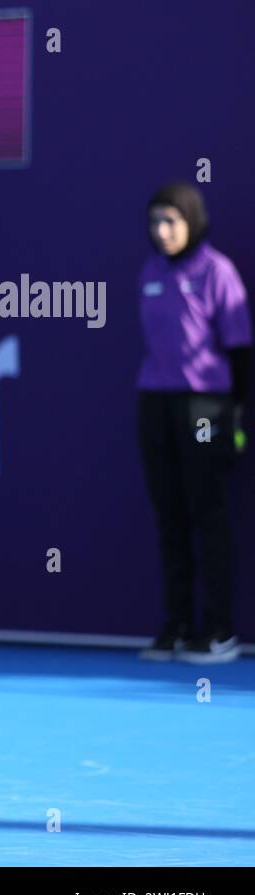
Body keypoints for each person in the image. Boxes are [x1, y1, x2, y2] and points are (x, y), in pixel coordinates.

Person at [136, 182, 251, 663]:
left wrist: (236, 414)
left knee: (207, 511)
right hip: (155, 403)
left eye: (172, 221)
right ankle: (176, 625)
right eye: (156, 221)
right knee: (170, 513)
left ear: (192, 222)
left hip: (205, 406)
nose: (162, 232)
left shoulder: (218, 271)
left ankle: (219, 628)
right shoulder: (149, 273)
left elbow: (241, 348)